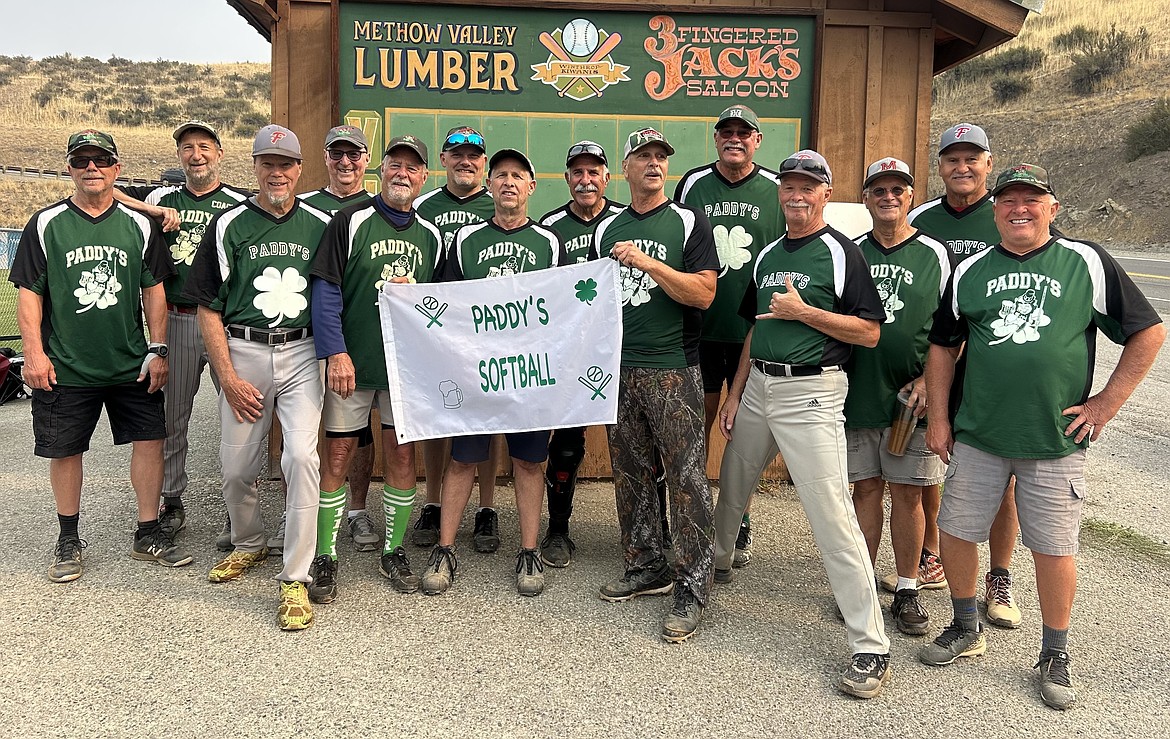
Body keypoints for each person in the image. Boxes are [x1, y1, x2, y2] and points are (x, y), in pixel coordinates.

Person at [919, 163, 1164, 710]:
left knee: (1053, 547)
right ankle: (964, 625)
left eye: (1032, 200)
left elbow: (1147, 331)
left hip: (1054, 439)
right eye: (1008, 201)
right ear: (995, 209)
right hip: (978, 433)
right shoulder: (971, 269)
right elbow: (942, 345)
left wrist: (1106, 402)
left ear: (1052, 208)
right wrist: (938, 417)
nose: (1019, 209)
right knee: (957, 530)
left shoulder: (1086, 262)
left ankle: (1055, 650)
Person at [713, 150, 891, 697]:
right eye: (789, 185)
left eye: (807, 186)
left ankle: (870, 644)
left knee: (830, 512)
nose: (796, 194)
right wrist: (735, 392)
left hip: (811, 389)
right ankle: (713, 568)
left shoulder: (841, 253)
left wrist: (806, 313)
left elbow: (869, 333)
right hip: (760, 385)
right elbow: (755, 328)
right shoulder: (768, 253)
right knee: (731, 486)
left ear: (824, 192)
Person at [10, 129, 193, 582]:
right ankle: (68, 536)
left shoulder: (138, 224)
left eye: (100, 160)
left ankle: (148, 530)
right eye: (81, 160)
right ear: (69, 168)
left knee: (150, 440)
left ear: (116, 168)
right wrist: (33, 353)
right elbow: (29, 293)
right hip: (66, 362)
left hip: (129, 360)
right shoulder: (47, 222)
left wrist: (158, 349)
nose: (91, 168)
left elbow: (154, 289)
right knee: (65, 449)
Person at [184, 124, 332, 631]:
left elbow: (337, 293)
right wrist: (226, 376)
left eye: (285, 163)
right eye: (267, 163)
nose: (277, 172)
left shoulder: (319, 224)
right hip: (244, 349)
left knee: (301, 458)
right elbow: (207, 307)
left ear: (299, 170)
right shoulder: (229, 225)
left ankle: (296, 575)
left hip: (301, 349)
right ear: (255, 167)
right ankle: (249, 543)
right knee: (236, 467)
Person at [419, 148, 564, 597]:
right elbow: (444, 300)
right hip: (477, 371)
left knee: (528, 462)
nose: (508, 182)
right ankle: (444, 548)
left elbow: (560, 310)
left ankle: (528, 550)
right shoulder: (464, 239)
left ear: (531, 186)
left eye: (518, 176)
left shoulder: (549, 242)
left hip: (528, 373)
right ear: (491, 183)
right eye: (500, 175)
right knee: (463, 459)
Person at [594, 128, 719, 643]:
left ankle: (693, 581)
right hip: (620, 369)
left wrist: (648, 262)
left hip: (673, 366)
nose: (652, 164)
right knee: (630, 472)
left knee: (686, 476)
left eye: (660, 157)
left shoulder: (688, 220)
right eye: (642, 156)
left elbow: (704, 294)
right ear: (624, 168)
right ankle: (646, 562)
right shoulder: (608, 228)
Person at [307, 134, 442, 602]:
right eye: (394, 165)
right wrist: (335, 352)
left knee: (403, 457)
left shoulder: (432, 235)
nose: (402, 173)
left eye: (412, 167)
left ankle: (393, 549)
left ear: (424, 177)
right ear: (380, 171)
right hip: (354, 364)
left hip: (403, 371)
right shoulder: (350, 220)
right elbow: (325, 293)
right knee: (340, 455)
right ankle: (325, 554)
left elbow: (441, 306)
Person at [905, 123, 1020, 626]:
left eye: (972, 158)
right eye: (952, 158)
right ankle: (931, 550)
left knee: (1004, 479)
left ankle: (999, 577)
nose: (962, 167)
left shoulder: (1006, 216)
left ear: (988, 164)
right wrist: (928, 375)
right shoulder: (921, 217)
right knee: (932, 456)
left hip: (990, 365)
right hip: (933, 359)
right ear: (940, 167)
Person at [115, 120, 249, 547]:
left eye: (205, 146)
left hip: (223, 321)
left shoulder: (236, 203)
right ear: (178, 156)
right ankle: (172, 501)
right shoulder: (160, 196)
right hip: (174, 317)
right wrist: (152, 212)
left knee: (239, 412)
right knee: (171, 417)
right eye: (188, 148)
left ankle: (237, 509)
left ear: (220, 153)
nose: (196, 155)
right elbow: (105, 196)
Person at [844, 157, 951, 637]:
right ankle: (864, 584)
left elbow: (956, 327)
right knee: (864, 489)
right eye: (878, 190)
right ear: (866, 197)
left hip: (913, 396)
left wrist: (933, 381)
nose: (888, 197)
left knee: (908, 494)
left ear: (911, 196)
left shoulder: (936, 252)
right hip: (859, 389)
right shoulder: (848, 251)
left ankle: (907, 587)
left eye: (898, 190)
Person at [674, 104, 784, 569]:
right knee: (694, 426)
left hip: (749, 330)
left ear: (757, 140)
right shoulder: (693, 183)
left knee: (742, 433)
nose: (734, 139)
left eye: (744, 132)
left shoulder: (778, 188)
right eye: (726, 132)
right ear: (716, 138)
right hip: (698, 326)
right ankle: (693, 513)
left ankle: (738, 516)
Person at [535, 140, 627, 567]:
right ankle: (558, 530)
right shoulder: (551, 227)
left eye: (594, 172)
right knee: (568, 443)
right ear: (567, 178)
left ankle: (653, 528)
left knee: (636, 440)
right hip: (570, 352)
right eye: (578, 172)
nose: (586, 180)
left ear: (608, 177)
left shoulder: (627, 221)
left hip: (624, 348)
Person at [412, 125, 503, 552]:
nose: (466, 160)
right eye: (456, 153)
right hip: (436, 329)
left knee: (489, 419)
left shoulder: (500, 202)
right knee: (437, 418)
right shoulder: (424, 206)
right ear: (443, 161)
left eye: (474, 155)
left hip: (488, 331)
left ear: (484, 164)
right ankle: (432, 501)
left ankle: (486, 508)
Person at [298, 125, 381, 557]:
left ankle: (357, 509)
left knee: (358, 434)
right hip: (304, 337)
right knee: (305, 431)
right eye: (337, 153)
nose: (345, 162)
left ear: (367, 160)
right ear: (325, 157)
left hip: (360, 339)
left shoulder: (379, 208)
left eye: (354, 154)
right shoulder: (304, 205)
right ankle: (298, 513)